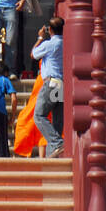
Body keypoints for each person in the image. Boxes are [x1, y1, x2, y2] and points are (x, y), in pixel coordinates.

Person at [32, 16, 64, 157]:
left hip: (51, 83)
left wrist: (40, 38)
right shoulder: (66, 43)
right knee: (57, 121)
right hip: (60, 84)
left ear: (49, 30)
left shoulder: (49, 44)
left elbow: (33, 54)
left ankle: (57, 143)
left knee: (39, 115)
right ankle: (54, 155)